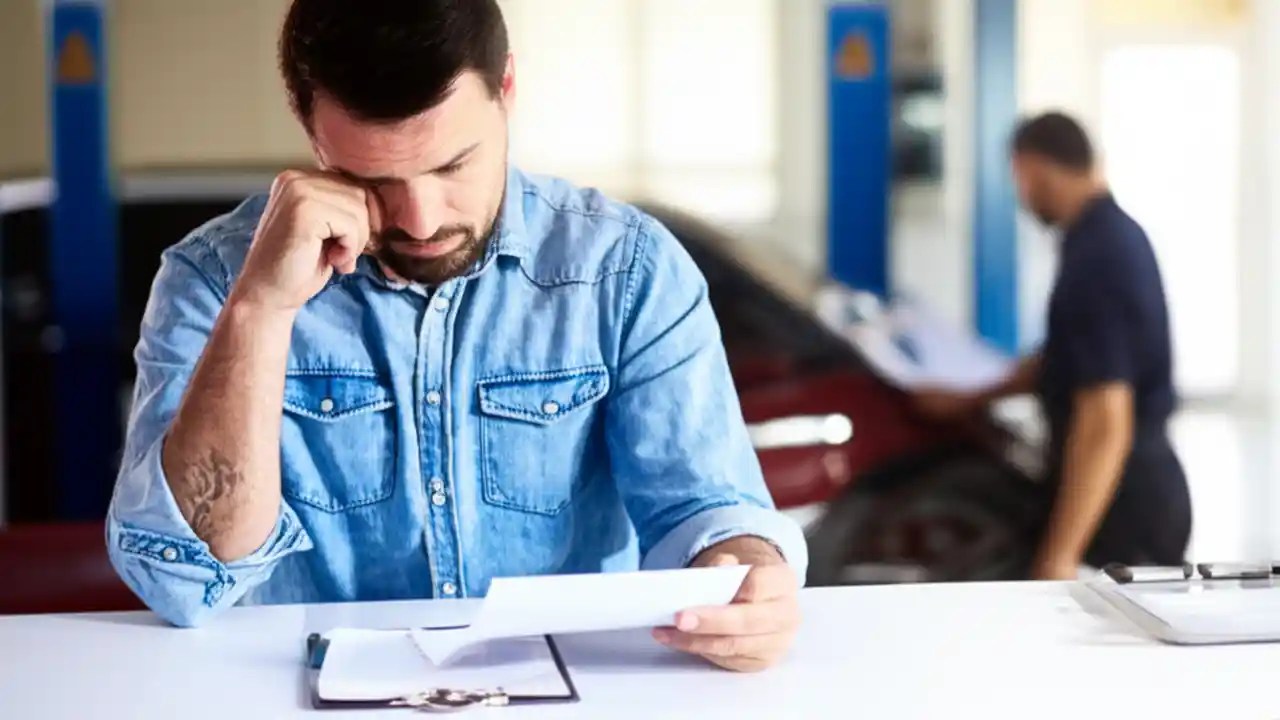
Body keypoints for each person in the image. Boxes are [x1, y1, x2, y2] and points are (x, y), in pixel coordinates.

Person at [107, 0, 804, 672]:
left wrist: (746, 576)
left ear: (507, 87)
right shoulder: (212, 281)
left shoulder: (625, 272)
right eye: (371, 178)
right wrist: (260, 309)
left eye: (451, 165)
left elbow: (707, 509)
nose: (419, 219)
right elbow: (182, 584)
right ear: (306, 123)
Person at [914, 112, 1191, 579]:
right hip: (1123, 491)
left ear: (1031, 168)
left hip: (1125, 507)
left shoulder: (1101, 255)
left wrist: (1058, 557)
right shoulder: (1099, 237)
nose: (1022, 196)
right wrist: (969, 399)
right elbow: (1066, 361)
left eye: (1018, 180)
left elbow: (1105, 420)